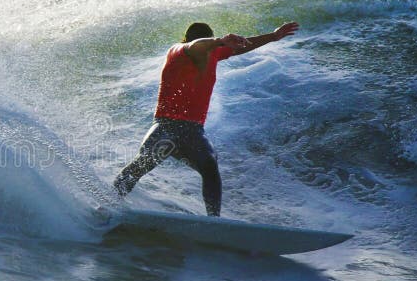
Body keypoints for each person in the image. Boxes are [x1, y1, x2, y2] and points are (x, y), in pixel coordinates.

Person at [113, 21, 299, 216]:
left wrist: (273, 36)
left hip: (193, 132)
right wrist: (218, 41)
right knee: (142, 165)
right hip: (166, 127)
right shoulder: (178, 51)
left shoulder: (214, 53)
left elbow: (242, 47)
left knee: (209, 166)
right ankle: (112, 200)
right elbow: (196, 46)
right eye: (209, 43)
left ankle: (213, 221)